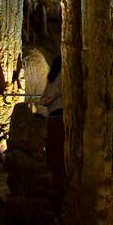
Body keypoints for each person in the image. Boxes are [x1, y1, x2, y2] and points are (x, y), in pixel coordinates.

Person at [40, 55, 65, 210]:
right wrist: (53, 97)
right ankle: (60, 179)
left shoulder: (51, 78)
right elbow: (61, 92)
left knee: (53, 148)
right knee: (60, 147)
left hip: (51, 114)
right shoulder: (63, 75)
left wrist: (46, 100)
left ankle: (53, 177)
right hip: (61, 113)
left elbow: (43, 97)